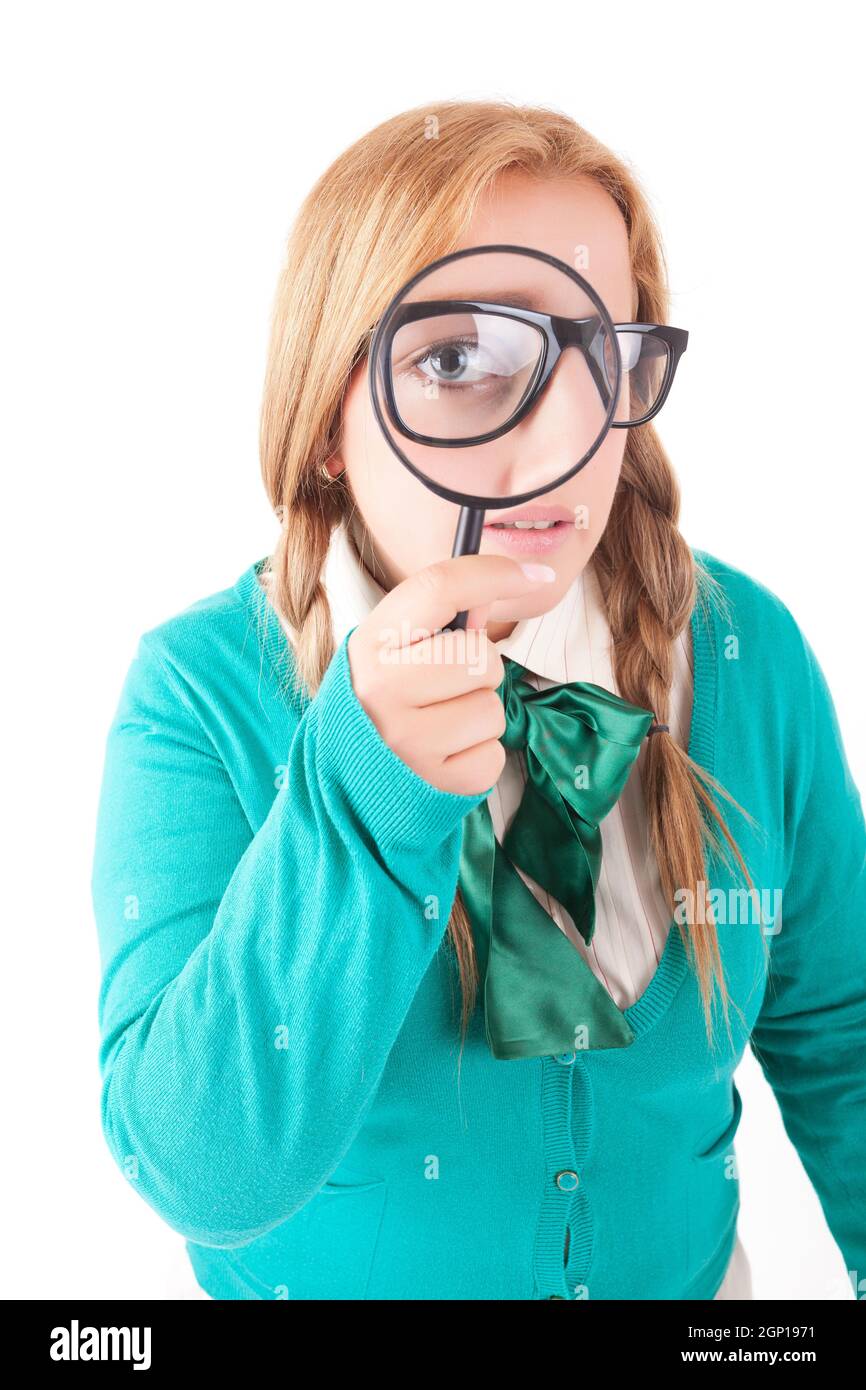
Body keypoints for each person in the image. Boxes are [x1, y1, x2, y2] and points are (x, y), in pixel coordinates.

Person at [92, 99, 866, 1301]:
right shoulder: (195, 693)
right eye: (455, 361)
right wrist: (358, 797)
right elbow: (198, 1170)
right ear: (329, 426)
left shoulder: (740, 651)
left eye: (599, 354)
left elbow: (843, 1037)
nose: (565, 435)